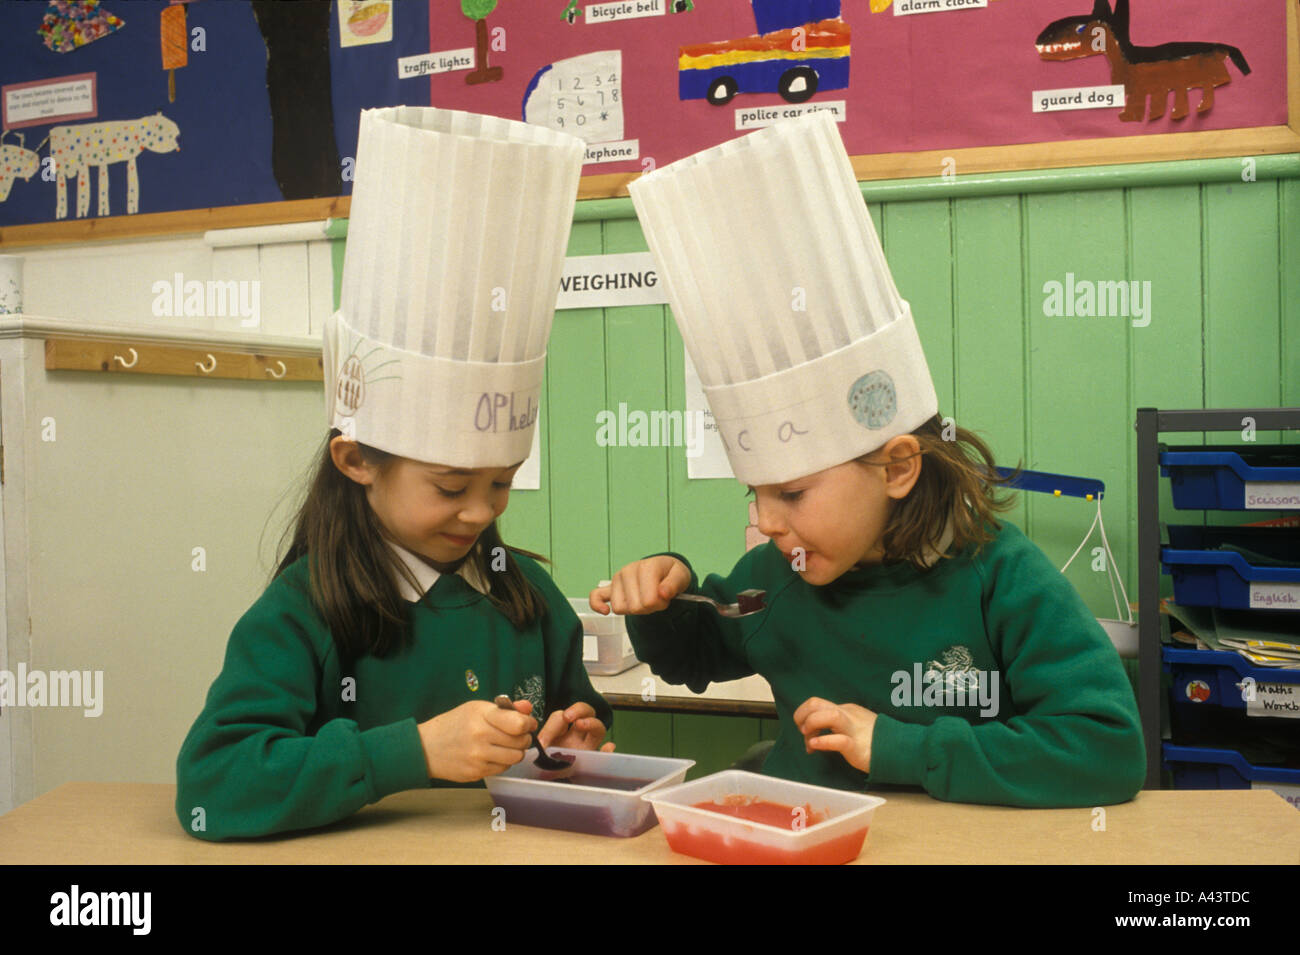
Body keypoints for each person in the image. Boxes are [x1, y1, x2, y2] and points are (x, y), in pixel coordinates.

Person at [591, 113, 1145, 807]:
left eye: (791, 493)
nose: (767, 522)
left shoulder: (999, 578)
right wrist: (662, 598)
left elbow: (1107, 746)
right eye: (755, 494)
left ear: (897, 466)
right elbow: (693, 656)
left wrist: (903, 747)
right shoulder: (773, 578)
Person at [176, 107, 612, 841]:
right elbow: (214, 783)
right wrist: (410, 753)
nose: (481, 512)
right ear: (357, 461)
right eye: (450, 486)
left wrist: (577, 742)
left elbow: (581, 724)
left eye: (501, 482)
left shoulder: (528, 600)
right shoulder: (302, 613)